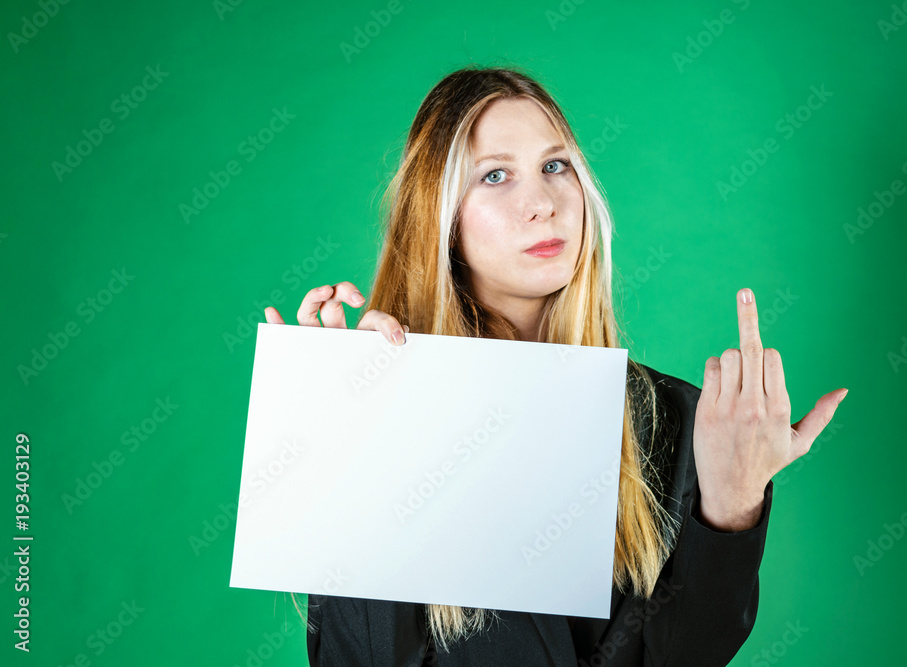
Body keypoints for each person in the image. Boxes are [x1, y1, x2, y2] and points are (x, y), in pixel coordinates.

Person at [262, 64, 847, 666]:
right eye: (495, 175)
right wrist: (341, 463)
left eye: (555, 166)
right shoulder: (381, 405)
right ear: (439, 220)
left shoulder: (680, 419)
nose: (541, 203)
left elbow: (680, 656)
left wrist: (732, 506)